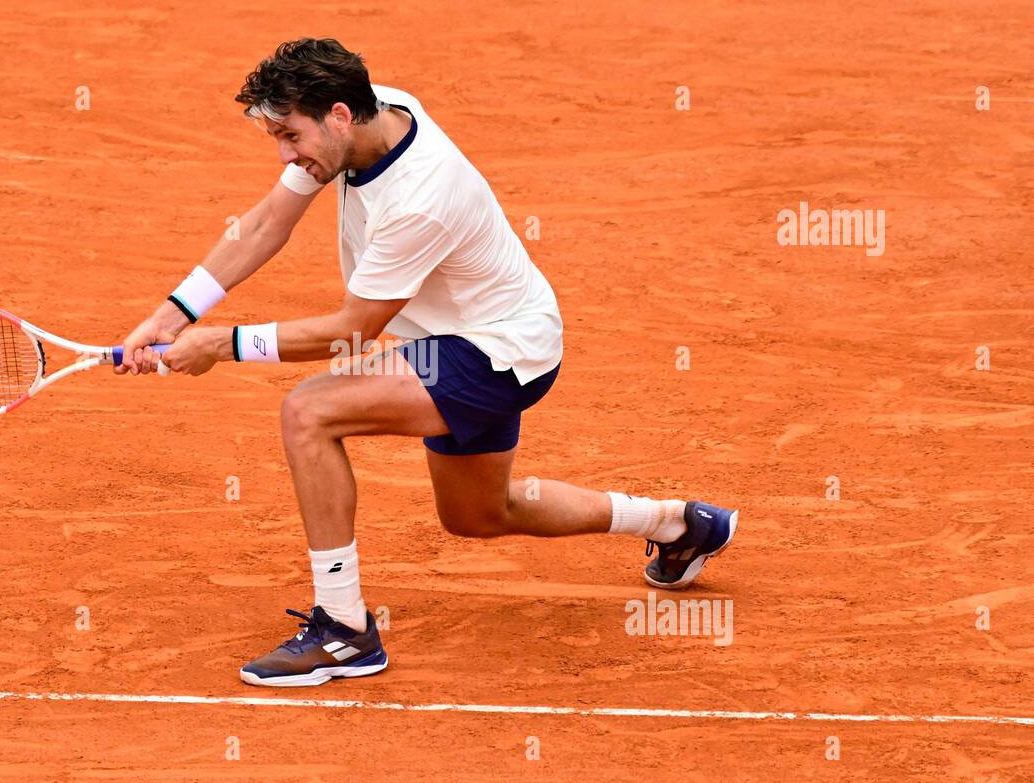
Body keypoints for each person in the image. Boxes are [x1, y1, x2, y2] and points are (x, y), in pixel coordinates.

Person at [117, 38, 738, 687]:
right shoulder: (366, 119)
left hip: (491, 352)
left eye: (288, 135)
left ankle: (344, 628)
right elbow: (270, 222)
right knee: (479, 515)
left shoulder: (419, 196)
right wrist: (172, 314)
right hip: (481, 339)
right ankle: (677, 523)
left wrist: (222, 343)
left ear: (335, 115)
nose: (284, 154)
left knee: (309, 412)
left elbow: (351, 332)